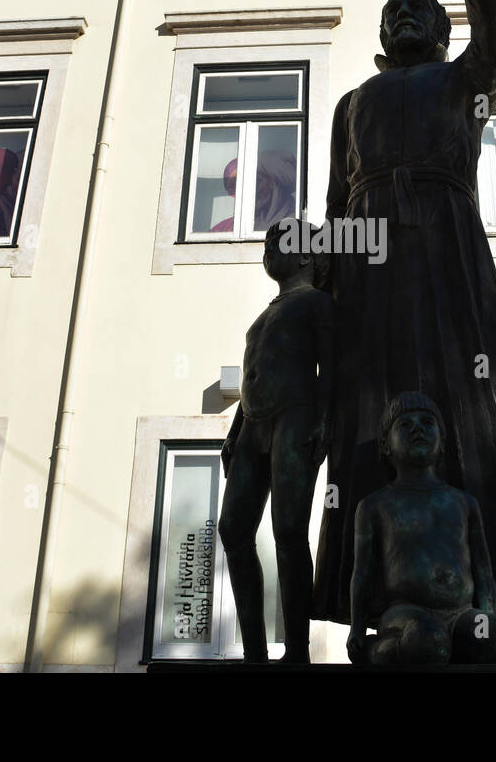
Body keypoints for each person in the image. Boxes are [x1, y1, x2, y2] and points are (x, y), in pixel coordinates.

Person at [315, 0, 496, 630]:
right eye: (394, 11)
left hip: (446, 237)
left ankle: (492, 586)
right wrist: (321, 285)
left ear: (444, 32)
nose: (405, 16)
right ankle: (367, 585)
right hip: (370, 246)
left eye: (419, 9)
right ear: (381, 34)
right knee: (365, 394)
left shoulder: (464, 82)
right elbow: (334, 201)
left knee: (467, 386)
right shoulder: (353, 102)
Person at [218, 220, 333, 663]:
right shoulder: (264, 313)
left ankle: (298, 650)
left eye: (276, 243)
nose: (267, 249)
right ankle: (254, 652)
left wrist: (324, 422)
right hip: (252, 423)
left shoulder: (318, 304)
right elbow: (249, 381)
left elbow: (332, 369)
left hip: (295, 416)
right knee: (233, 530)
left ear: (305, 254)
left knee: (288, 530)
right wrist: (234, 432)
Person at [347, 392, 496, 665]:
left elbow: (483, 572)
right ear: (386, 445)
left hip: (461, 614)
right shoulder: (375, 505)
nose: (417, 428)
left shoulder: (464, 503)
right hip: (404, 613)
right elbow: (362, 573)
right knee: (426, 643)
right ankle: (377, 650)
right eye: (405, 425)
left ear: (442, 441)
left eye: (427, 422)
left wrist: (489, 620)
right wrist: (357, 628)